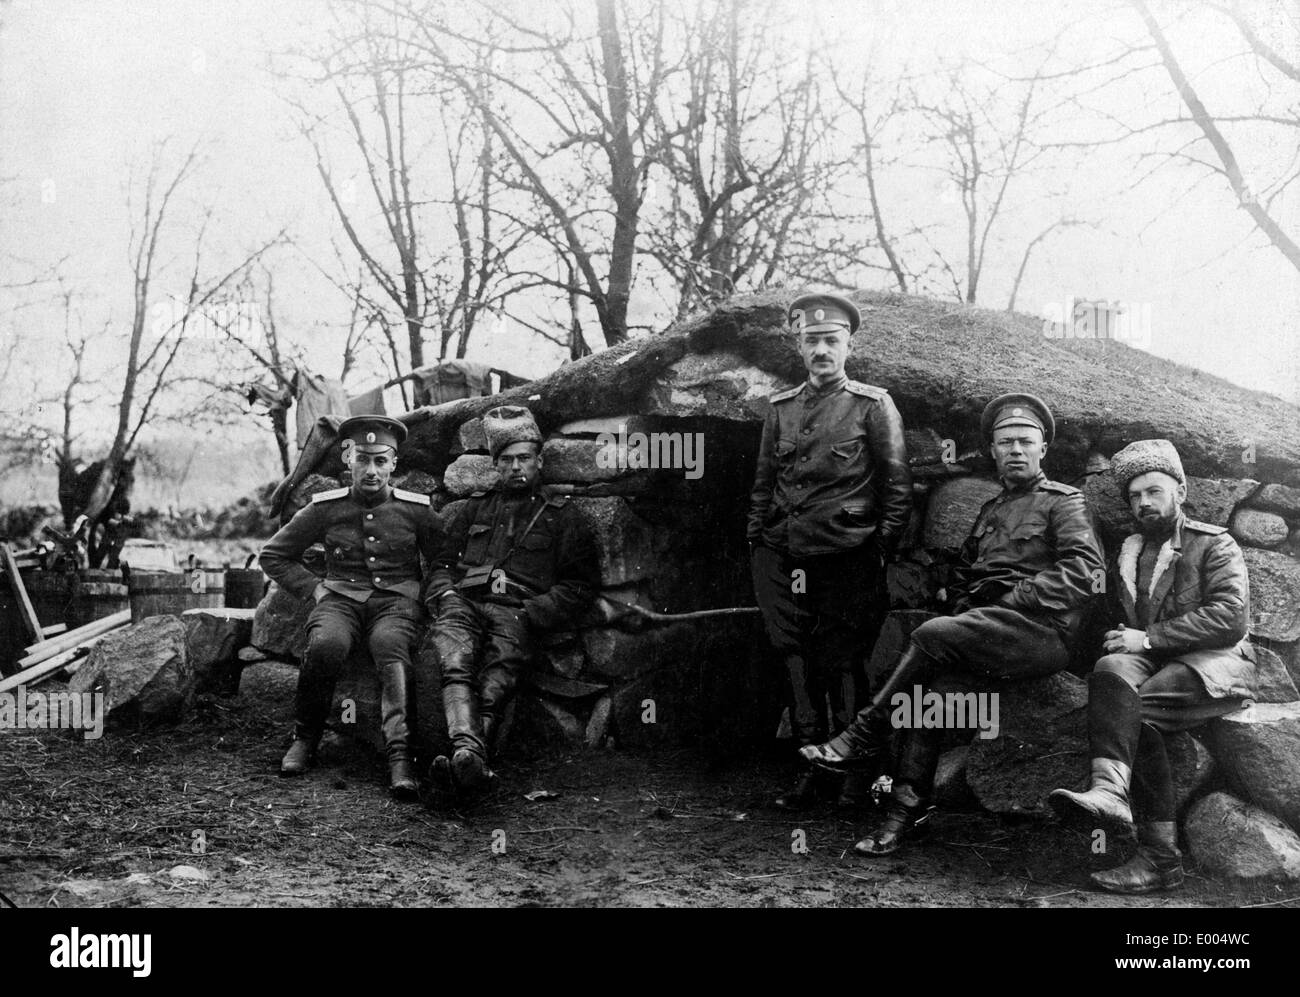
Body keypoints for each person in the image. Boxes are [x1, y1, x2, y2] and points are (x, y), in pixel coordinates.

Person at [802, 393, 1105, 854]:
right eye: (1006, 443)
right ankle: (907, 814)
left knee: (930, 633)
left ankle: (862, 735)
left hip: (1043, 634)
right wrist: (968, 603)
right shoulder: (990, 510)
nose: (1016, 451)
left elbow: (1085, 574)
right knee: (934, 701)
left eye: (1026, 442)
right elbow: (965, 575)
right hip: (987, 633)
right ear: (993, 451)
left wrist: (1012, 597)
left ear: (1043, 449)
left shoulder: (1066, 504)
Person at [1049, 439, 1257, 894]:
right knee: (1109, 666)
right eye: (1135, 496)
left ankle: (1159, 859)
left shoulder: (1212, 543)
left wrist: (1146, 638)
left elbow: (1230, 616)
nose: (1144, 502)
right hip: (1159, 662)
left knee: (1135, 713)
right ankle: (1108, 792)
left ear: (1179, 492)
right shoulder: (1129, 551)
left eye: (1154, 491)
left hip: (1216, 663)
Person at [747, 292, 912, 810]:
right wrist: (758, 541)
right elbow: (763, 482)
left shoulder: (872, 404)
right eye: (811, 341)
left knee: (845, 662)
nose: (821, 350)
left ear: (848, 345)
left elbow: (897, 486)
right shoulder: (781, 408)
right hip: (781, 553)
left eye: (831, 341)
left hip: (847, 555)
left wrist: (874, 547)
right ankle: (809, 771)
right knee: (796, 657)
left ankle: (853, 776)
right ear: (799, 346)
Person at [260, 414, 441, 799]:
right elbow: (273, 555)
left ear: (394, 463)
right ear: (348, 461)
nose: (371, 470)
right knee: (327, 644)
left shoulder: (416, 510)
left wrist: (427, 596)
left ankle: (399, 757)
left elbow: (443, 561)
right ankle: (305, 739)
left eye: (380, 461)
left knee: (390, 646)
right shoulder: (326, 508)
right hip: (340, 599)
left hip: (396, 603)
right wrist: (315, 589)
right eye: (362, 460)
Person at [427, 405, 599, 794]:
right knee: (454, 661)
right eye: (506, 460)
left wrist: (532, 613)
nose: (516, 467)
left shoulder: (564, 516)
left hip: (518, 611)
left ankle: (465, 759)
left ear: (539, 461)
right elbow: (439, 564)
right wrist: (447, 593)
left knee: (497, 675)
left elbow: (580, 586)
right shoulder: (472, 508)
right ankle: (470, 760)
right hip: (464, 602)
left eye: (524, 458)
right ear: (495, 465)